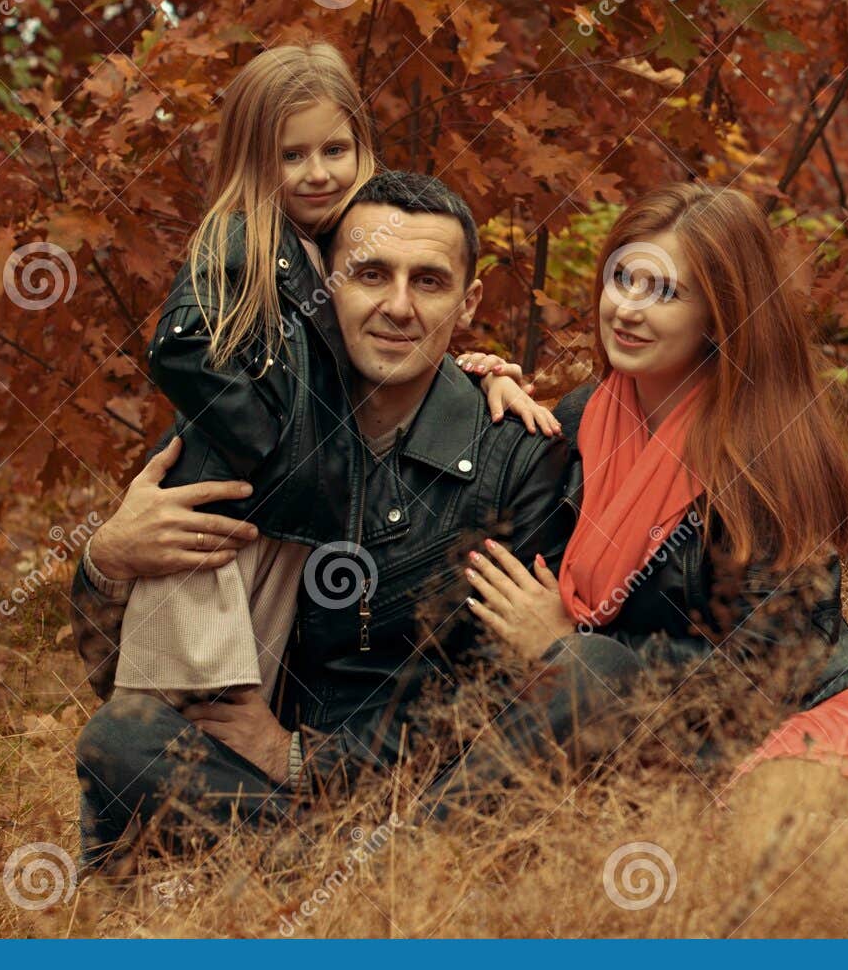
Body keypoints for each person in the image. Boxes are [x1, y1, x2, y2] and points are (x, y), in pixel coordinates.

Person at [73, 171, 575, 865]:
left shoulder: (517, 463)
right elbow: (114, 665)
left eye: (429, 282)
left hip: (413, 812)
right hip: (240, 791)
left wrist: (304, 756)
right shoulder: (250, 423)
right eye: (370, 274)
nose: (398, 306)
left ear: (469, 302)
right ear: (325, 286)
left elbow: (504, 701)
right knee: (121, 738)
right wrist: (107, 561)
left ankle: (329, 881)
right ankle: (314, 877)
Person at [97, 43, 554, 720]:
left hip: (282, 538)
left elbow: (387, 341)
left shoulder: (335, 243)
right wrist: (108, 556)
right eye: (291, 156)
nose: (316, 174)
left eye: (334, 150)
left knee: (230, 704)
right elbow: (185, 350)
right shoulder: (246, 244)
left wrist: (471, 369)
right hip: (236, 509)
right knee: (170, 718)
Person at [455, 183, 848, 810]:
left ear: (720, 315)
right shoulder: (584, 416)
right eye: (622, 279)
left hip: (793, 730)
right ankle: (418, 840)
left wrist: (567, 643)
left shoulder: (764, 451)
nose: (627, 309)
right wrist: (477, 391)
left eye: (665, 292)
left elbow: (768, 668)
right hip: (655, 727)